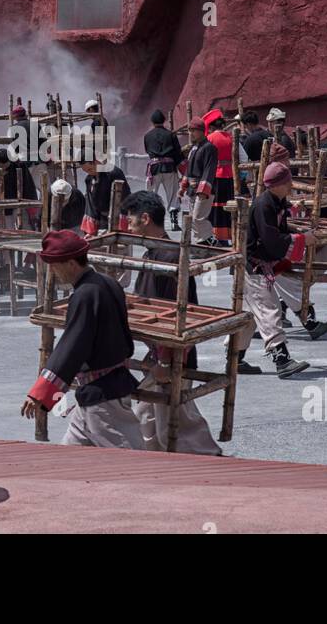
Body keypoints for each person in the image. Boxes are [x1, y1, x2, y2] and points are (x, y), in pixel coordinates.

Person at [21, 230, 144, 449]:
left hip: (103, 397)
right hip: (99, 391)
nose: (54, 271)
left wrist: (41, 391)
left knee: (130, 462)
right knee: (68, 458)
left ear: (70, 263)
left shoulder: (84, 295)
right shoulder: (108, 282)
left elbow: (72, 347)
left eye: (56, 265)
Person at [120, 192, 223, 455]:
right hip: (157, 351)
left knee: (175, 425)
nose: (127, 225)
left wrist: (166, 360)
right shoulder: (153, 254)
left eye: (131, 219)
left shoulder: (172, 258)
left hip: (173, 351)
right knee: (146, 417)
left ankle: (209, 458)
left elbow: (180, 313)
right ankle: (153, 466)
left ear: (145, 218)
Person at [241, 161, 314, 377]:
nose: (290, 186)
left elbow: (279, 226)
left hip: (258, 264)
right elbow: (271, 240)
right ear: (277, 185)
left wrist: (294, 212)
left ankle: (234, 358)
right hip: (255, 266)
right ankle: (281, 360)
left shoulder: (276, 202)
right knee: (269, 311)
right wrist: (302, 239)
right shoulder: (264, 205)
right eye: (287, 182)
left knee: (247, 319)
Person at [143, 109, 184, 231]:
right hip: (169, 168)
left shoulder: (147, 136)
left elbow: (147, 151)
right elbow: (177, 153)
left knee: (151, 195)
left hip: (154, 169)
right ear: (164, 121)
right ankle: (174, 222)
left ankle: (151, 221)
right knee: (172, 195)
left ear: (152, 121)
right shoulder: (171, 135)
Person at [180, 119, 216, 245]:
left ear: (202, 131)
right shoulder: (194, 149)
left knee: (198, 218)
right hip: (192, 189)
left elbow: (209, 170)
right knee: (192, 218)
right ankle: (202, 244)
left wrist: (203, 190)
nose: (191, 133)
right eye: (190, 131)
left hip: (203, 190)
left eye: (194, 130)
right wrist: (183, 186)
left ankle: (212, 241)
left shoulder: (209, 148)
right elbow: (188, 170)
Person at [202, 109, 236, 243]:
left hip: (215, 175)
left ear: (210, 127)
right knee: (227, 206)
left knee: (214, 207)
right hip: (229, 175)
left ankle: (216, 236)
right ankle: (226, 236)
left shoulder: (209, 139)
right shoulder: (231, 137)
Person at [0, 148, 37, 229]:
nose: (3, 168)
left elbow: (28, 185)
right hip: (3, 205)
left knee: (26, 227)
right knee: (8, 229)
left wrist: (30, 202)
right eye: (0, 166)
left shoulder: (19, 166)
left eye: (5, 166)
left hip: (19, 203)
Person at [79, 159, 126, 237]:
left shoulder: (113, 173)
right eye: (86, 171)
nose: (89, 173)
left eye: (90, 169)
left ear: (96, 162)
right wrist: (91, 231)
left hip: (117, 218)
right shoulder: (89, 179)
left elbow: (124, 197)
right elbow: (91, 205)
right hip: (102, 219)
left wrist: (117, 225)